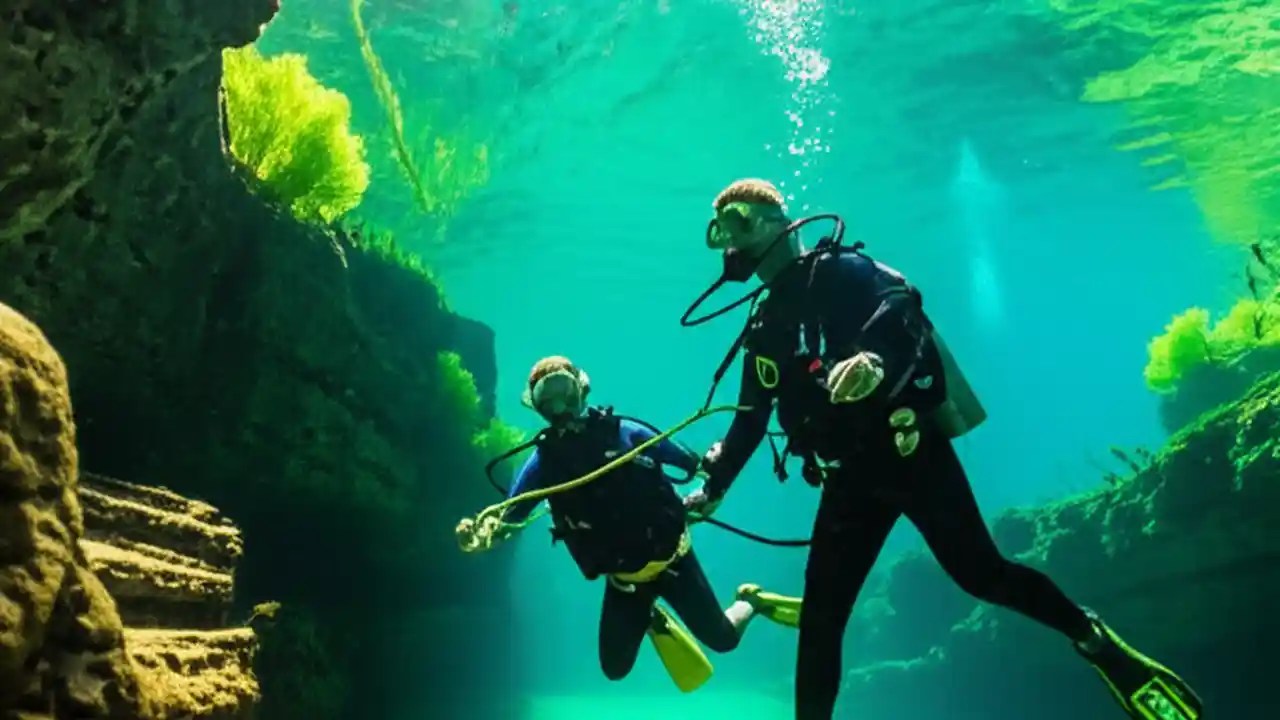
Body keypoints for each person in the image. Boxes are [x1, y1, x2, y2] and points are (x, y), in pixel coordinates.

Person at [681, 178, 1203, 720]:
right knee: (820, 621)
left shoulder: (842, 271)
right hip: (847, 481)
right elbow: (748, 421)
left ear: (778, 222)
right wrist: (712, 488)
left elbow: (901, 308)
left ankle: (1091, 638)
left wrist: (875, 362)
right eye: (718, 230)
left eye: (738, 222)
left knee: (982, 575)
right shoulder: (764, 327)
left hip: (911, 455)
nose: (729, 244)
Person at [455, 355, 802, 693]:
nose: (560, 409)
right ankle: (650, 617)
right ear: (538, 408)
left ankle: (751, 601)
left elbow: (689, 462)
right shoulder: (544, 464)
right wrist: (483, 534)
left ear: (582, 391)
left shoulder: (627, 432)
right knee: (614, 669)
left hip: (674, 561)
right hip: (625, 583)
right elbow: (509, 516)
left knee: (724, 640)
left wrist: (712, 474)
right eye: (549, 401)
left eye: (566, 394)